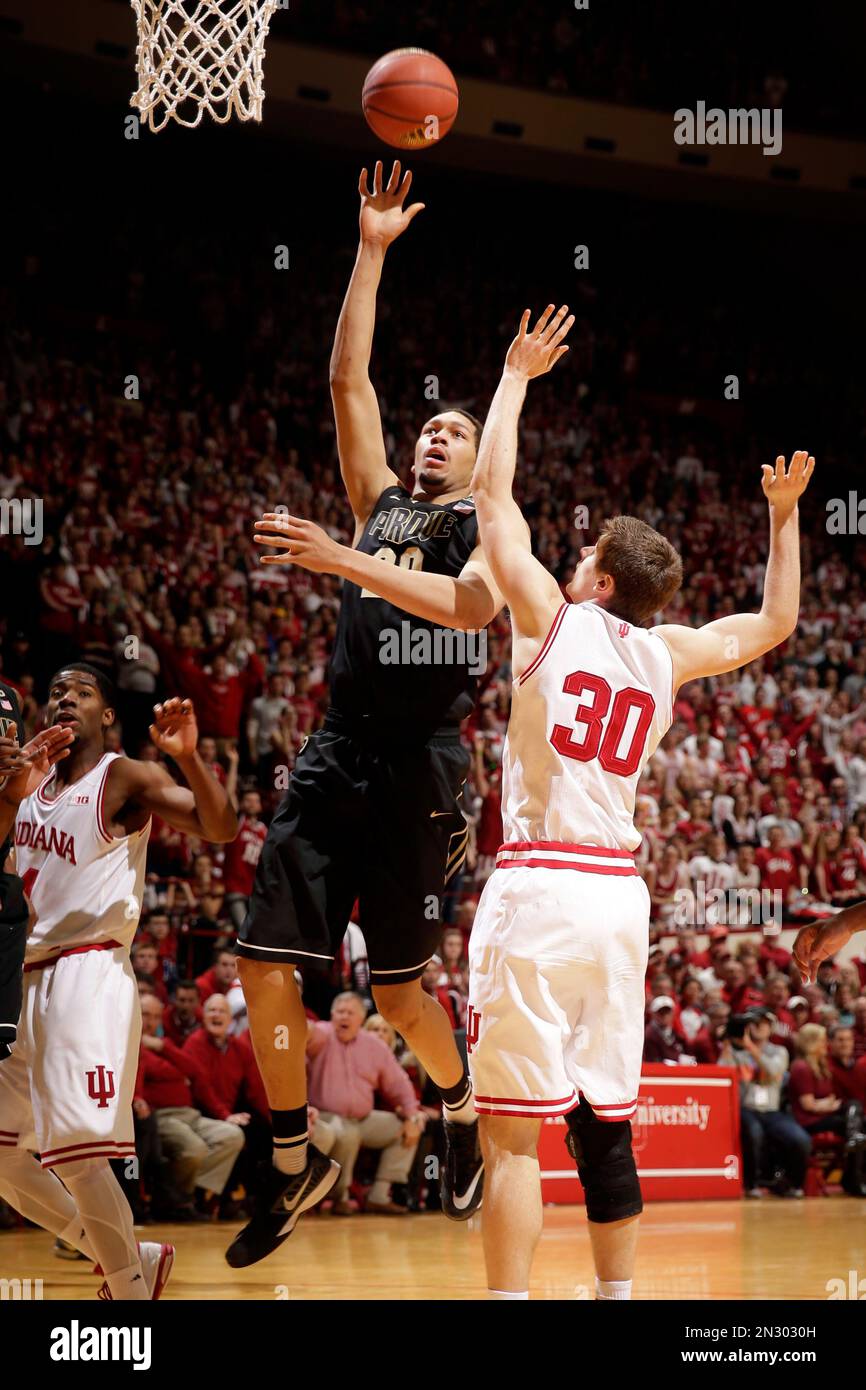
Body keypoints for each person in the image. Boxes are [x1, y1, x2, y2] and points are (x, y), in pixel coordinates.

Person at [290, 302, 814, 1296]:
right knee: (605, 1126)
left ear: (601, 579)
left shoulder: (552, 616)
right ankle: (618, 1300)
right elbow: (774, 620)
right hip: (620, 900)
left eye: (583, 560)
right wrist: (780, 520)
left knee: (514, 1137)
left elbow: (492, 497)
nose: (567, 565)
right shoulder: (666, 655)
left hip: (537, 888)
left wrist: (516, 376)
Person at [227, 162, 505, 1266]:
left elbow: (463, 606)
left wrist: (343, 557)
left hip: (420, 766)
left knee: (398, 989)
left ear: (481, 459)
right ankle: (293, 1158)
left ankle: (461, 1100)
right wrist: (372, 250)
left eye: (452, 429)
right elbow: (349, 384)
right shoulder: (382, 500)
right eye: (426, 425)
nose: (432, 436)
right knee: (261, 960)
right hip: (338, 749)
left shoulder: (487, 526)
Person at [0, 662, 237, 1300]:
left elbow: (219, 826)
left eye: (80, 693)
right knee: (4, 1157)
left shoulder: (123, 776)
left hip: (87, 969)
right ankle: (131, 1255)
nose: (62, 700)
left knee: (78, 1152)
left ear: (108, 715)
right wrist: (3, 790)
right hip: (19, 977)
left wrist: (188, 758)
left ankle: (129, 1295)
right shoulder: (29, 779)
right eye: (54, 692)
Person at [306, 993, 425, 1215]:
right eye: (340, 1012)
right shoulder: (322, 1034)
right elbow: (307, 1031)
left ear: (361, 1019)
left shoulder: (374, 1045)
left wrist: (412, 1115)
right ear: (332, 1015)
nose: (344, 1016)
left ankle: (379, 1195)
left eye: (350, 1012)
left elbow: (399, 1083)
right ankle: (339, 1197)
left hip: (363, 1118)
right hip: (326, 1116)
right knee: (347, 1133)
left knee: (411, 1127)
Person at [137, 994, 245, 1215]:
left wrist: (161, 1045)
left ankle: (188, 1194)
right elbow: (135, 1082)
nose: (150, 1022)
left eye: (156, 1017)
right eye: (145, 1015)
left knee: (232, 1136)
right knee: (194, 1148)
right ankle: (176, 1199)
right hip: (163, 1116)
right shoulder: (131, 1048)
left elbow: (192, 1069)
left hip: (189, 1114)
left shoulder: (162, 1045)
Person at [719, 1008, 809, 1198]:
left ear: (771, 1027)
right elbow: (722, 1073)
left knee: (800, 1139)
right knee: (754, 1132)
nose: (758, 1026)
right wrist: (728, 1045)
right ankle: (752, 1185)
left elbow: (773, 1071)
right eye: (754, 1023)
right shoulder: (736, 1053)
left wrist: (751, 1047)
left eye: (763, 1023)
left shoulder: (779, 1051)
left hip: (772, 1111)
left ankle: (793, 1184)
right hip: (746, 1108)